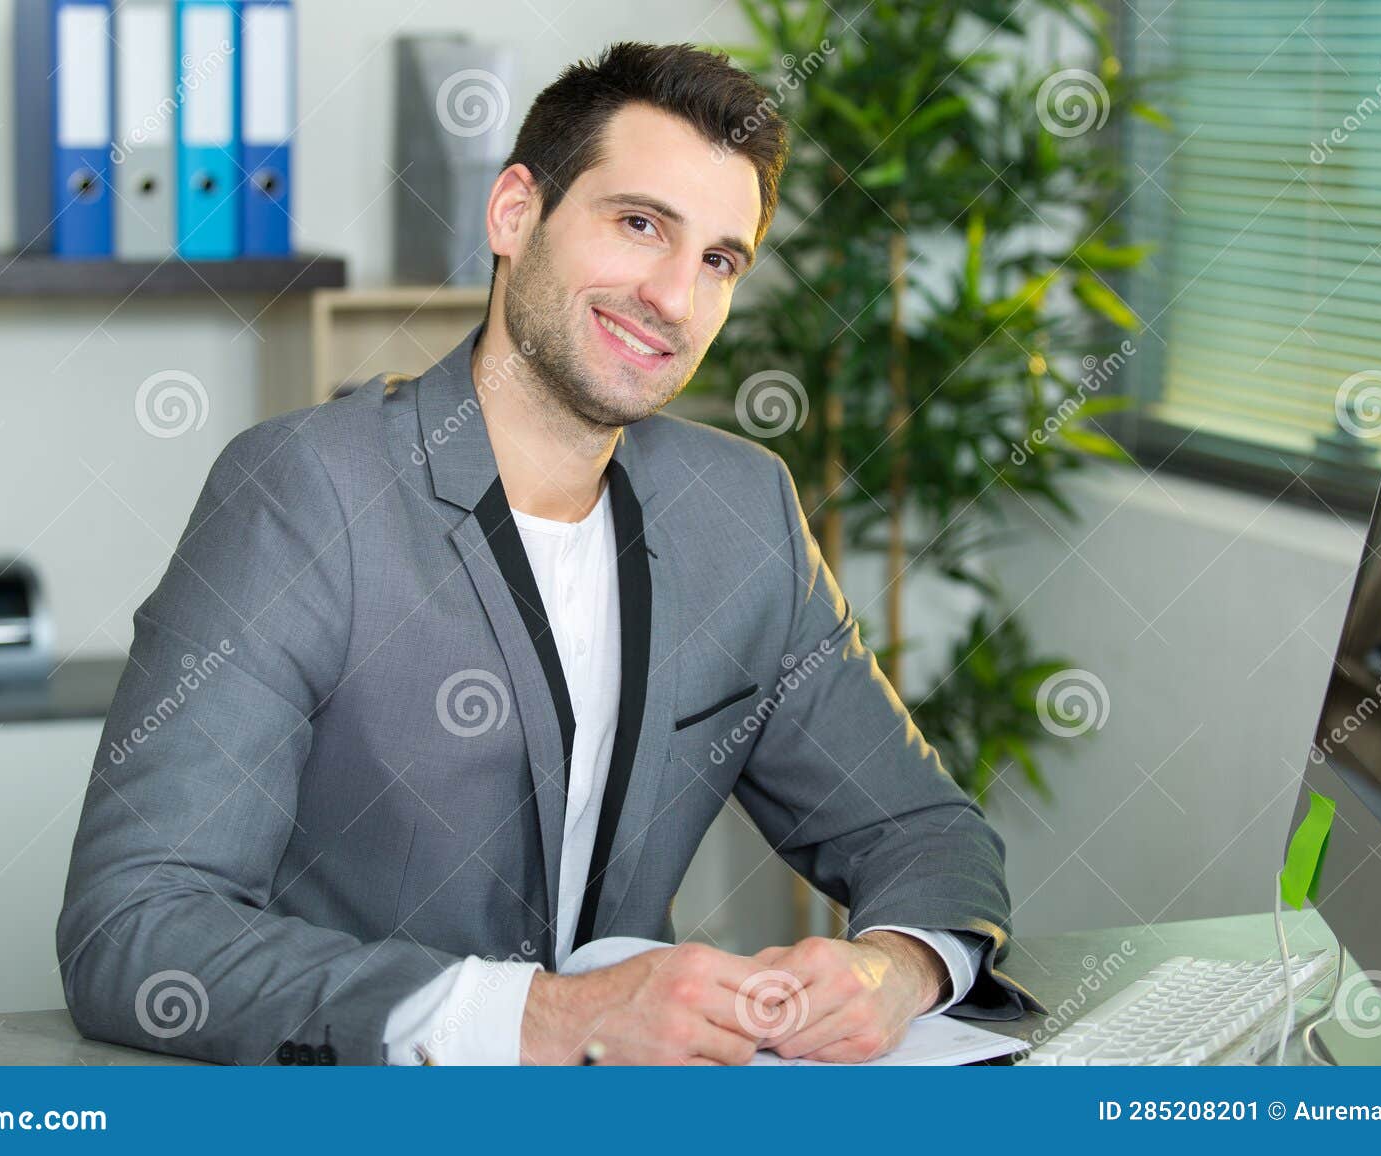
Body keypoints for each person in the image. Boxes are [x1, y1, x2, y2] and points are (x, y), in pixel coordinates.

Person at [56, 40, 1040, 1067]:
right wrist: (539, 1017)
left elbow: (925, 828)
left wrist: (893, 968)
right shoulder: (308, 492)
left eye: (717, 260)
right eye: (638, 224)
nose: (672, 295)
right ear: (514, 214)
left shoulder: (739, 508)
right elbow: (135, 927)